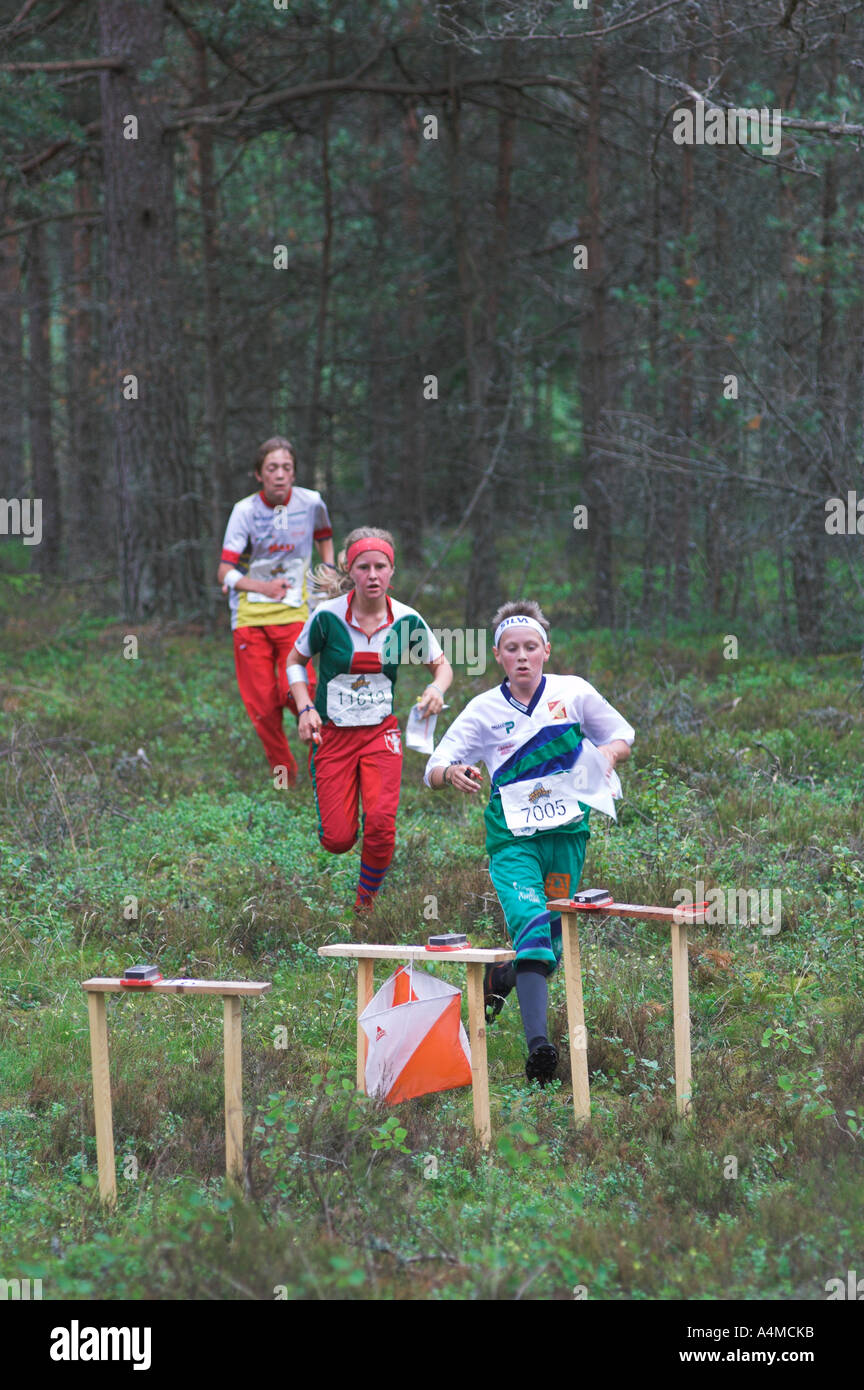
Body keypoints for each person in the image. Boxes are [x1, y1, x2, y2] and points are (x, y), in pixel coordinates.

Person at [424, 600, 634, 1086]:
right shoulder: (483, 710)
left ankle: (499, 979)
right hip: (512, 840)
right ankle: (539, 1051)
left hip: (568, 835)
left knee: (549, 948)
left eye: (531, 647)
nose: (522, 656)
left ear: (546, 651)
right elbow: (433, 766)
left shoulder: (574, 692)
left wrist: (604, 753)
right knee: (534, 929)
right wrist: (452, 771)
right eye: (512, 648)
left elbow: (622, 735)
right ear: (498, 655)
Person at [283, 527, 453, 913]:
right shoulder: (327, 618)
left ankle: (365, 905)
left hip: (381, 734)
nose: (373, 575)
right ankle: (344, 817)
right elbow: (295, 661)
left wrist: (437, 690)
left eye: (381, 566)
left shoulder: (407, 621)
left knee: (380, 823)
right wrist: (306, 707)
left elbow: (441, 667)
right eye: (364, 567)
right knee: (338, 839)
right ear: (350, 569)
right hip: (333, 737)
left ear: (392, 572)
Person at [217, 437, 334, 784]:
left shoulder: (311, 502)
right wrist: (262, 587)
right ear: (258, 474)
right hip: (250, 619)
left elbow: (324, 535)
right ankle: (285, 778)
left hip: (296, 614)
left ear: (294, 472)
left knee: (301, 691)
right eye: (272, 468)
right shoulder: (245, 511)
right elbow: (225, 571)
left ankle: (324, 769)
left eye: (286, 468)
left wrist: (326, 571)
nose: (280, 475)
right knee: (263, 705)